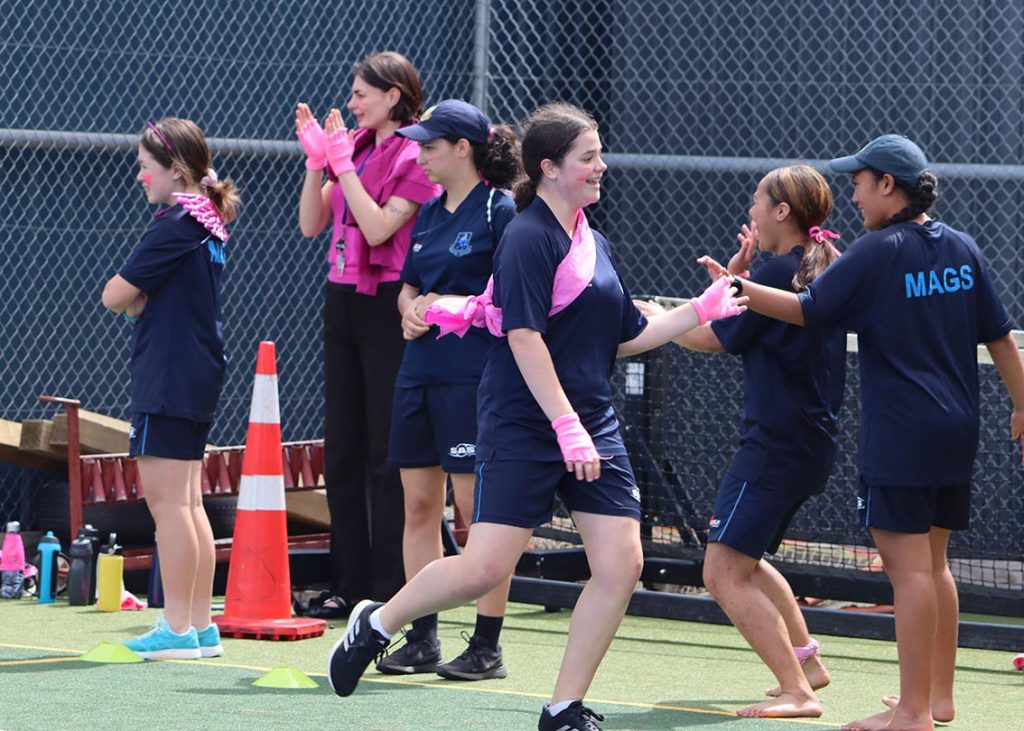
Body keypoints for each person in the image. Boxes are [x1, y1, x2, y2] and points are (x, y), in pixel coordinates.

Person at [325, 102, 745, 731]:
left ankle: (563, 707)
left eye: (599, 153)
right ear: (549, 168)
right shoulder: (526, 237)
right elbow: (524, 337)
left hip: (588, 419)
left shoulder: (592, 241)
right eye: (589, 157)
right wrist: (564, 425)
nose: (602, 166)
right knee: (486, 567)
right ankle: (376, 623)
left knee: (621, 563)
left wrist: (700, 310)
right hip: (525, 420)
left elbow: (624, 334)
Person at [699, 135, 1024, 731]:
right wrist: (1023, 408)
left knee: (910, 573)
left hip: (901, 434)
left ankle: (913, 713)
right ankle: (938, 700)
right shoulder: (961, 245)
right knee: (936, 564)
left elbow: (806, 308)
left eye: (859, 180)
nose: (851, 193)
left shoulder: (877, 251)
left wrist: (735, 290)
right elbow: (1002, 337)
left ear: (888, 187)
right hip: (958, 430)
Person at [636, 164, 844, 718]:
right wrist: (729, 282)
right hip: (807, 444)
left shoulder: (776, 274)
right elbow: (735, 320)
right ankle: (808, 664)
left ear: (782, 212)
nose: (750, 210)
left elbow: (710, 337)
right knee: (745, 561)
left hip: (776, 446)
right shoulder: (819, 266)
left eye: (759, 201)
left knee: (721, 570)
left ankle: (798, 693)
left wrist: (661, 319)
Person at [377, 99, 522, 680]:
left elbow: (512, 298)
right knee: (418, 507)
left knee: (477, 516)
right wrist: (410, 310)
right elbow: (408, 289)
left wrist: (448, 305)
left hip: (473, 378)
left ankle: (487, 645)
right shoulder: (430, 213)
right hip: (418, 374)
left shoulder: (500, 210)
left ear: (464, 149)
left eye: (430, 147)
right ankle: (423, 637)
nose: (421, 156)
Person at [295, 52, 441, 617]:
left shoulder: (411, 153)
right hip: (341, 300)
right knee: (344, 448)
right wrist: (316, 164)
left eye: (361, 94)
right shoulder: (351, 147)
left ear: (394, 96)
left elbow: (380, 226)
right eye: (353, 94)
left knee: (385, 451)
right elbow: (312, 224)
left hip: (386, 305)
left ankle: (386, 589)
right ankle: (346, 584)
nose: (352, 103)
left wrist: (344, 170)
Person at [102, 117, 240, 659]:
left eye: (145, 167)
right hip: (196, 371)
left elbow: (115, 294)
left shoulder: (174, 224)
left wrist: (134, 298)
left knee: (169, 506)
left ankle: (177, 629)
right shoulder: (203, 223)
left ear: (175, 170)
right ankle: (202, 628)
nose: (140, 176)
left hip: (169, 374)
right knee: (188, 502)